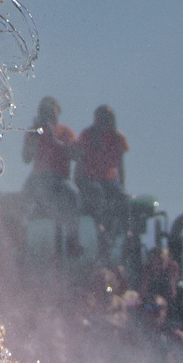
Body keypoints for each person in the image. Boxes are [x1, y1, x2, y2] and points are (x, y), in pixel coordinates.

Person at [18, 97, 81, 255]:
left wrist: (54, 139)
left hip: (60, 179)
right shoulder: (34, 132)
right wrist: (35, 136)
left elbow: (75, 154)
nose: (48, 117)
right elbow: (26, 158)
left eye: (51, 113)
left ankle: (73, 240)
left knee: (74, 194)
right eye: (44, 113)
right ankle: (19, 241)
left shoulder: (65, 132)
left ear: (58, 114)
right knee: (23, 199)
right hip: (39, 178)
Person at [74, 105, 130, 263]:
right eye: (101, 117)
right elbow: (79, 160)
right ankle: (100, 229)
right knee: (97, 192)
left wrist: (123, 187)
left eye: (108, 117)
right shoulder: (87, 135)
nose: (105, 121)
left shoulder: (118, 138)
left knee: (123, 198)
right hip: (89, 180)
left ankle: (125, 233)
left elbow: (120, 165)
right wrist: (77, 182)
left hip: (110, 181)